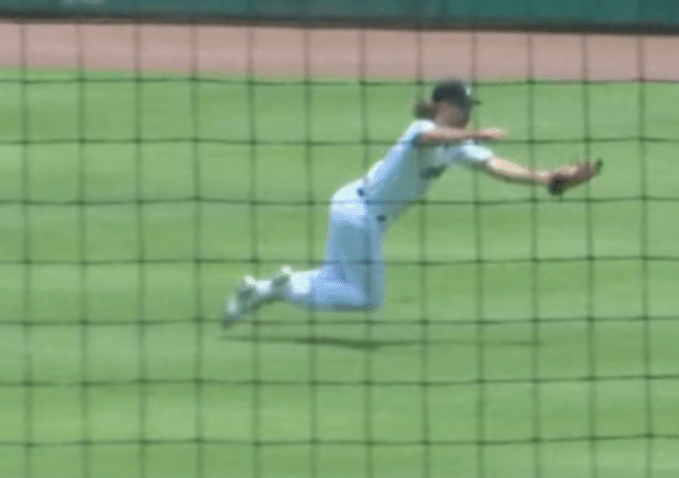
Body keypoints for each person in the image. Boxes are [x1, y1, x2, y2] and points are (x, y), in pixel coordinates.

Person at [221, 78, 601, 326]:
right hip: (362, 214)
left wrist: (547, 178)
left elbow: (496, 166)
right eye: (460, 106)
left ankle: (262, 290)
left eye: (468, 107)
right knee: (365, 298)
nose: (466, 112)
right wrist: (479, 132)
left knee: (333, 280)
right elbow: (429, 139)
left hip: (352, 207)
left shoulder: (456, 146)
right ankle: (284, 289)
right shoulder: (422, 130)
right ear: (441, 107)